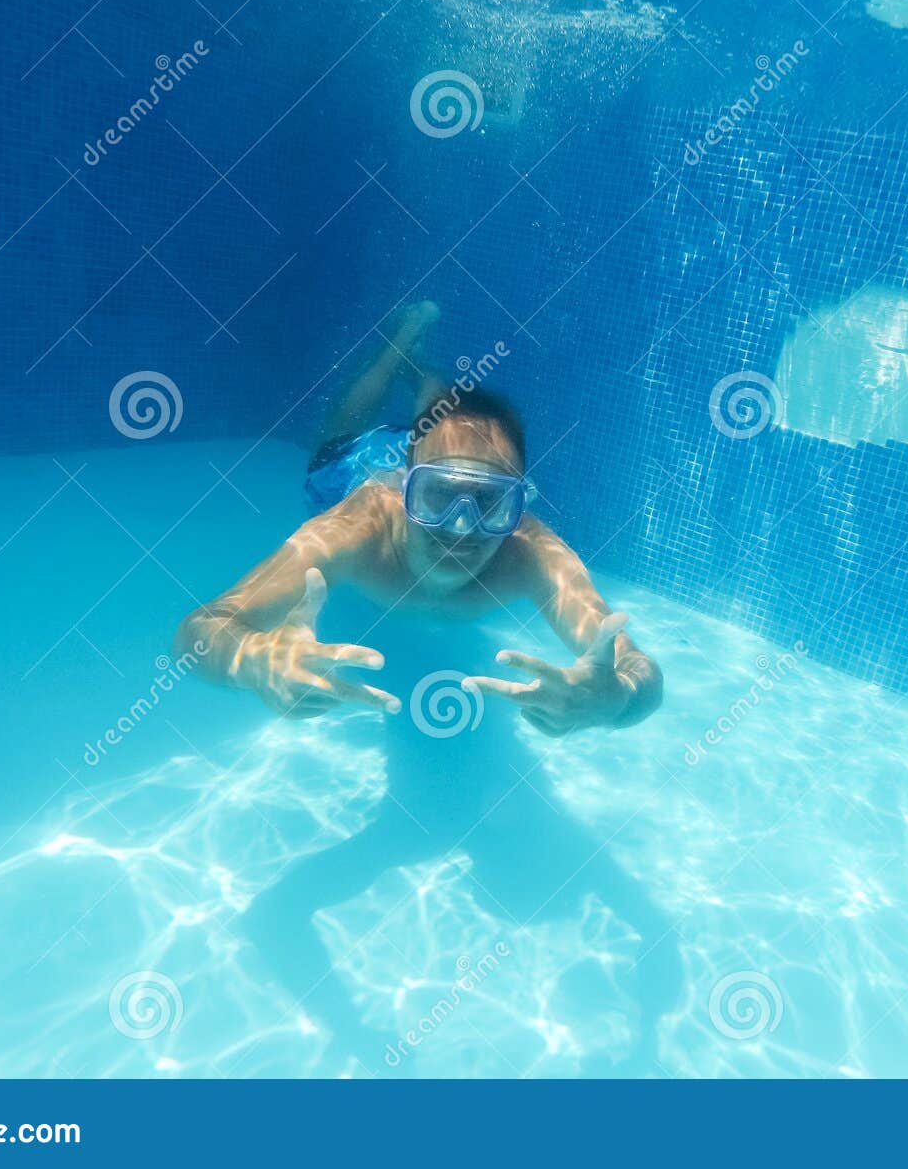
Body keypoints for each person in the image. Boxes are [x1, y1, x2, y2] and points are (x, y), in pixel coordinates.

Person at [174, 302, 674, 1072]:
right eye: (439, 497)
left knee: (434, 408)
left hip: (418, 474)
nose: (464, 529)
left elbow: (636, 665)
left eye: (491, 504)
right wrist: (249, 658)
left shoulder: (530, 551)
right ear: (405, 489)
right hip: (348, 473)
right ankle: (396, 351)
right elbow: (203, 626)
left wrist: (618, 699)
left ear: (517, 507)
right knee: (338, 435)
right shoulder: (356, 525)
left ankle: (428, 381)